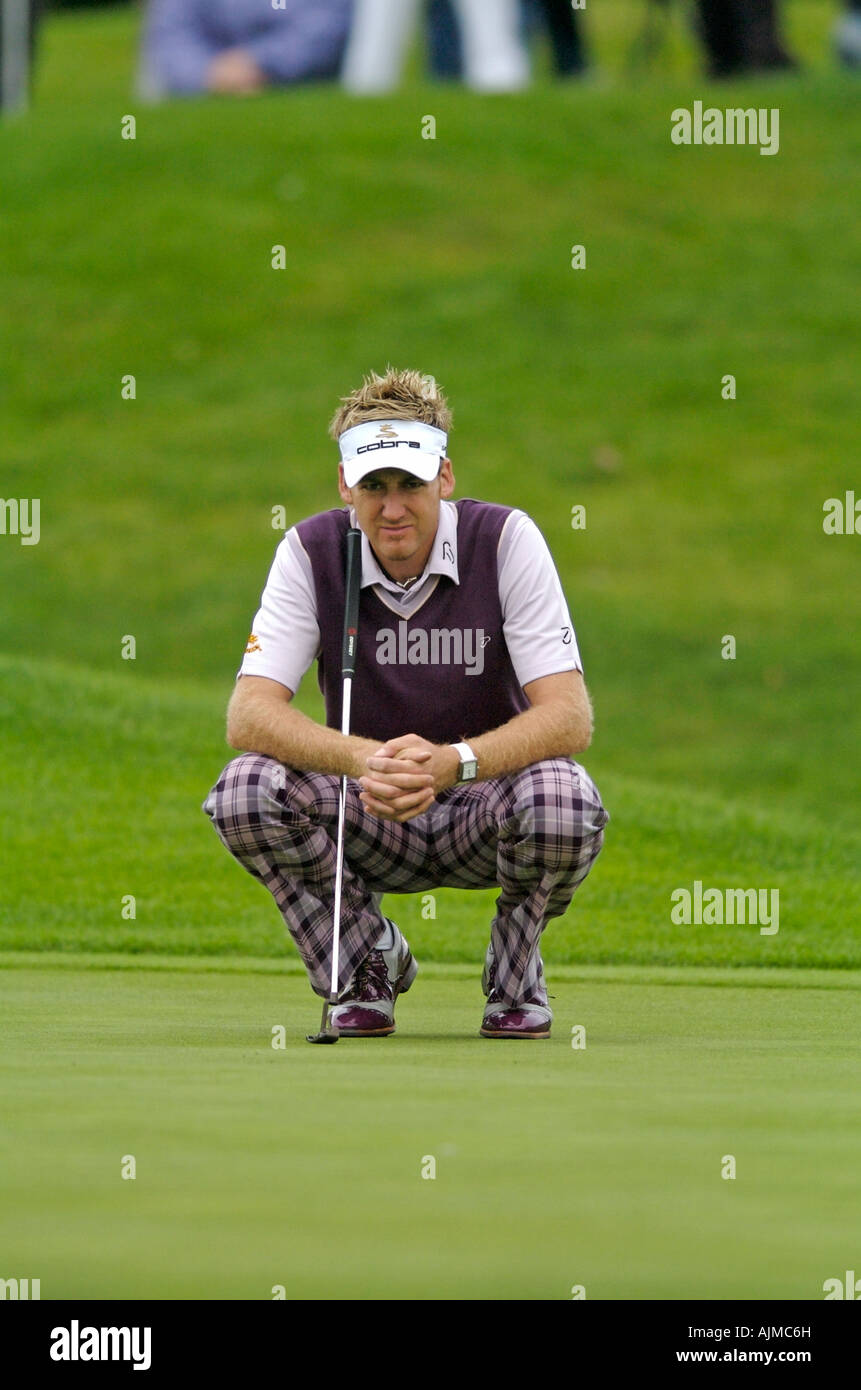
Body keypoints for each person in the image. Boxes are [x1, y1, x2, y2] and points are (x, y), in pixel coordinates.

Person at [203, 368, 608, 1039]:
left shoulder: (505, 540)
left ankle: (515, 972)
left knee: (564, 799)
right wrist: (365, 762)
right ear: (345, 487)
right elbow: (248, 714)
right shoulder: (310, 551)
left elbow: (569, 716)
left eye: (409, 485)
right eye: (374, 487)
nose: (392, 508)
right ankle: (366, 959)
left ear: (443, 477)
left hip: (485, 806)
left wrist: (456, 762)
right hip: (370, 810)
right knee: (245, 789)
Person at [138, 0, 352, 101]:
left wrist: (259, 62)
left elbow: (328, 25)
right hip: (212, 88)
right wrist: (209, 73)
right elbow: (171, 33)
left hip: (306, 89)